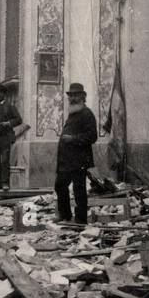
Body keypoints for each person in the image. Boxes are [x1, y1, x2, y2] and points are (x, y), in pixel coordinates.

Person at [54, 83, 98, 229]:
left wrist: (72, 139)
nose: (72, 98)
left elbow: (92, 136)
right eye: (70, 95)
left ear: (83, 97)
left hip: (79, 160)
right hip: (66, 161)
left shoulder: (86, 114)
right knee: (60, 185)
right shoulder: (73, 113)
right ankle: (65, 216)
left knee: (79, 190)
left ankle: (80, 220)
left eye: (75, 95)